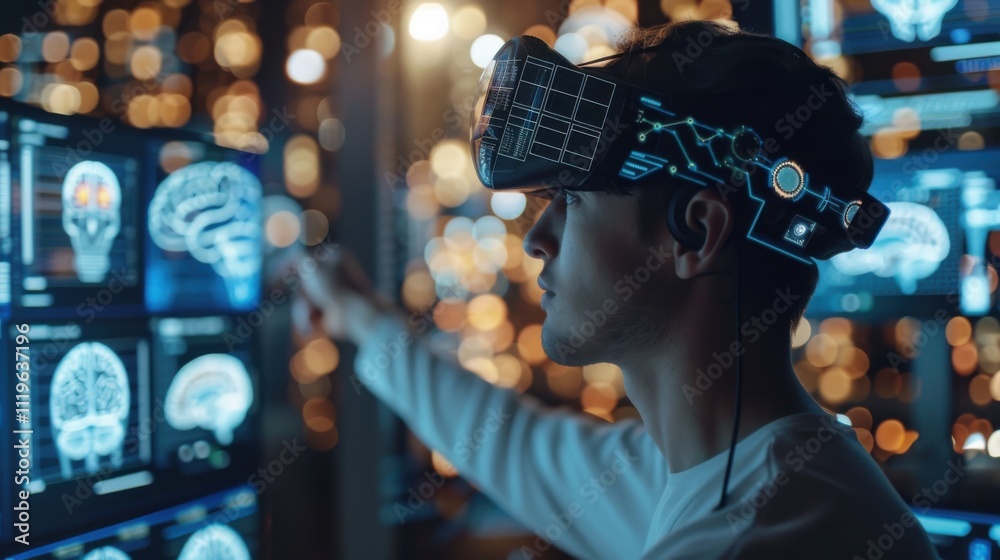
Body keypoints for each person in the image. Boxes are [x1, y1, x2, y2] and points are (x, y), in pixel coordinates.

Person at [290, 20, 940, 560]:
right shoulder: (730, 469)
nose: (538, 238)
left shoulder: (750, 534)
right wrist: (358, 315)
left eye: (572, 199)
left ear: (696, 233)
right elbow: (511, 444)